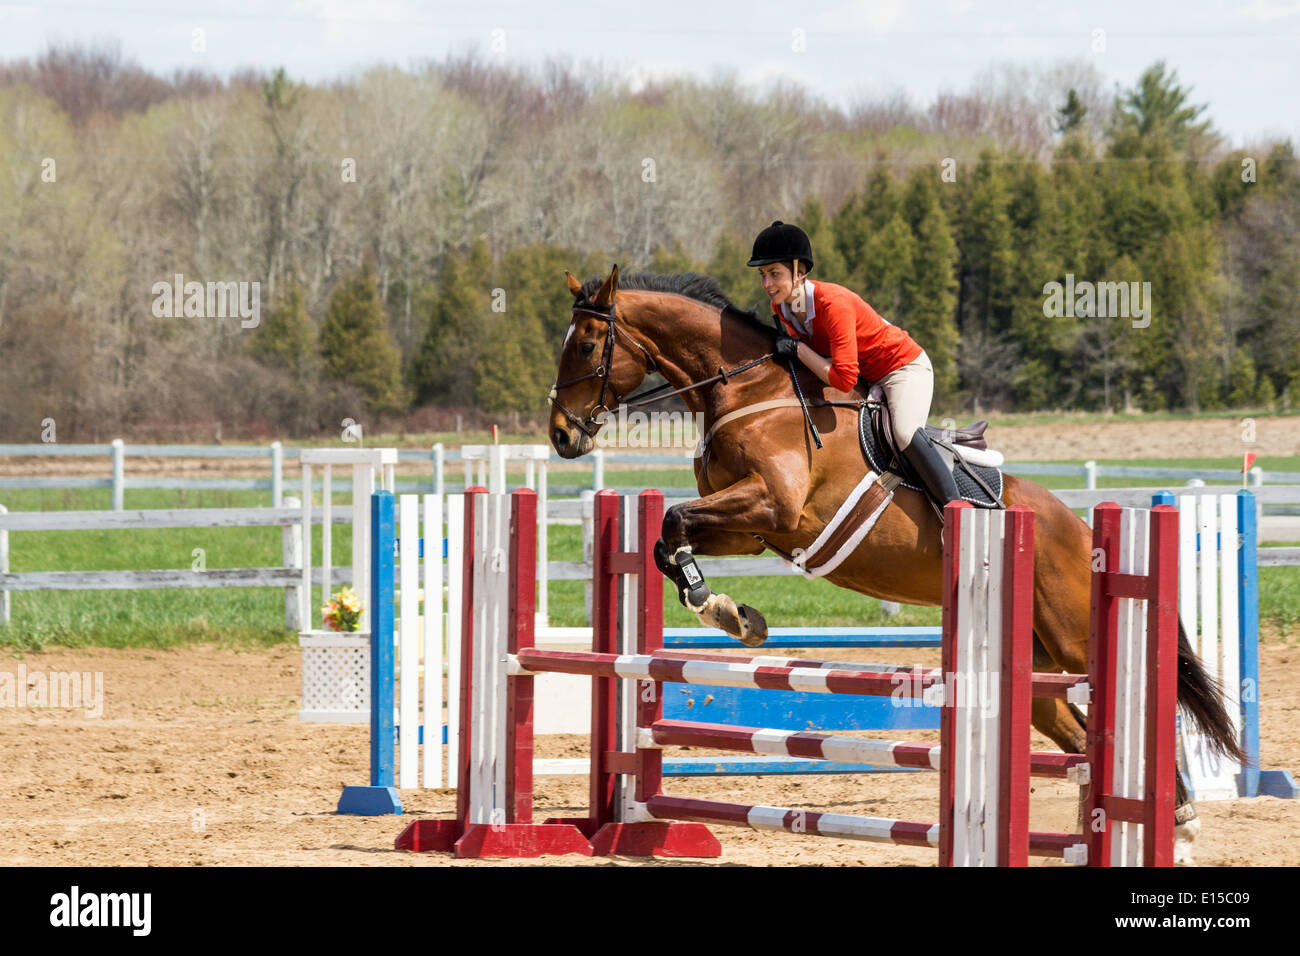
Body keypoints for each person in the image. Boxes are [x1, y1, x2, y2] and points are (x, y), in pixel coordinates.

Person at [747, 219, 961, 517]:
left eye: (774, 274)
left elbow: (843, 379)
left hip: (902, 368)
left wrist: (798, 349)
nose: (767, 284)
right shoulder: (781, 308)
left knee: (904, 432)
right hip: (866, 376)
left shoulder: (833, 303)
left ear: (799, 271)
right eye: (762, 275)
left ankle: (956, 509)